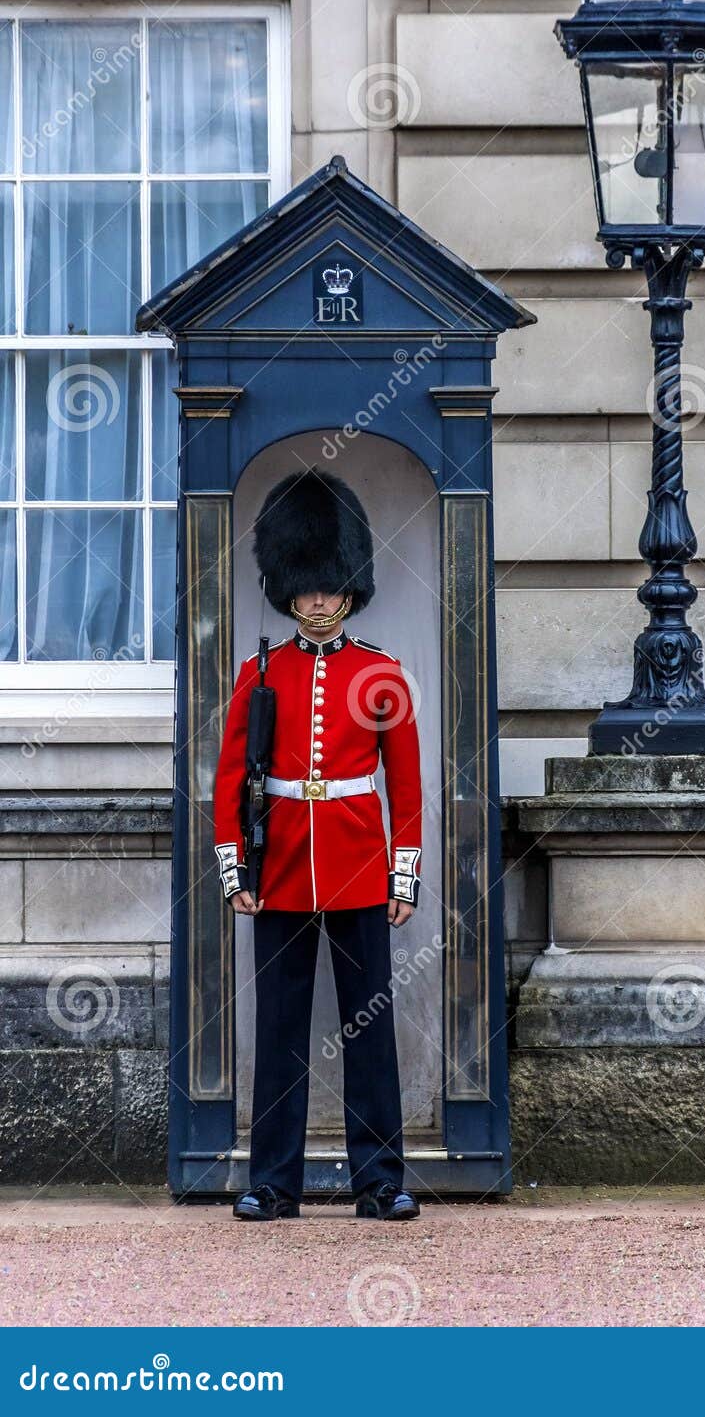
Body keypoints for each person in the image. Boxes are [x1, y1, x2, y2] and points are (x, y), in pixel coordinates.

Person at [213, 467, 422, 1223]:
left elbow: (405, 788)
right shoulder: (258, 673)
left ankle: (379, 1180)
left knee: (368, 1032)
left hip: (360, 864)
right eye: (306, 589)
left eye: (330, 588)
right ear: (288, 589)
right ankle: (273, 1182)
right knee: (279, 1031)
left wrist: (403, 877)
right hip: (282, 871)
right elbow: (232, 777)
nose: (318, 601)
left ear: (349, 588)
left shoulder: (381, 673)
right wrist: (236, 864)